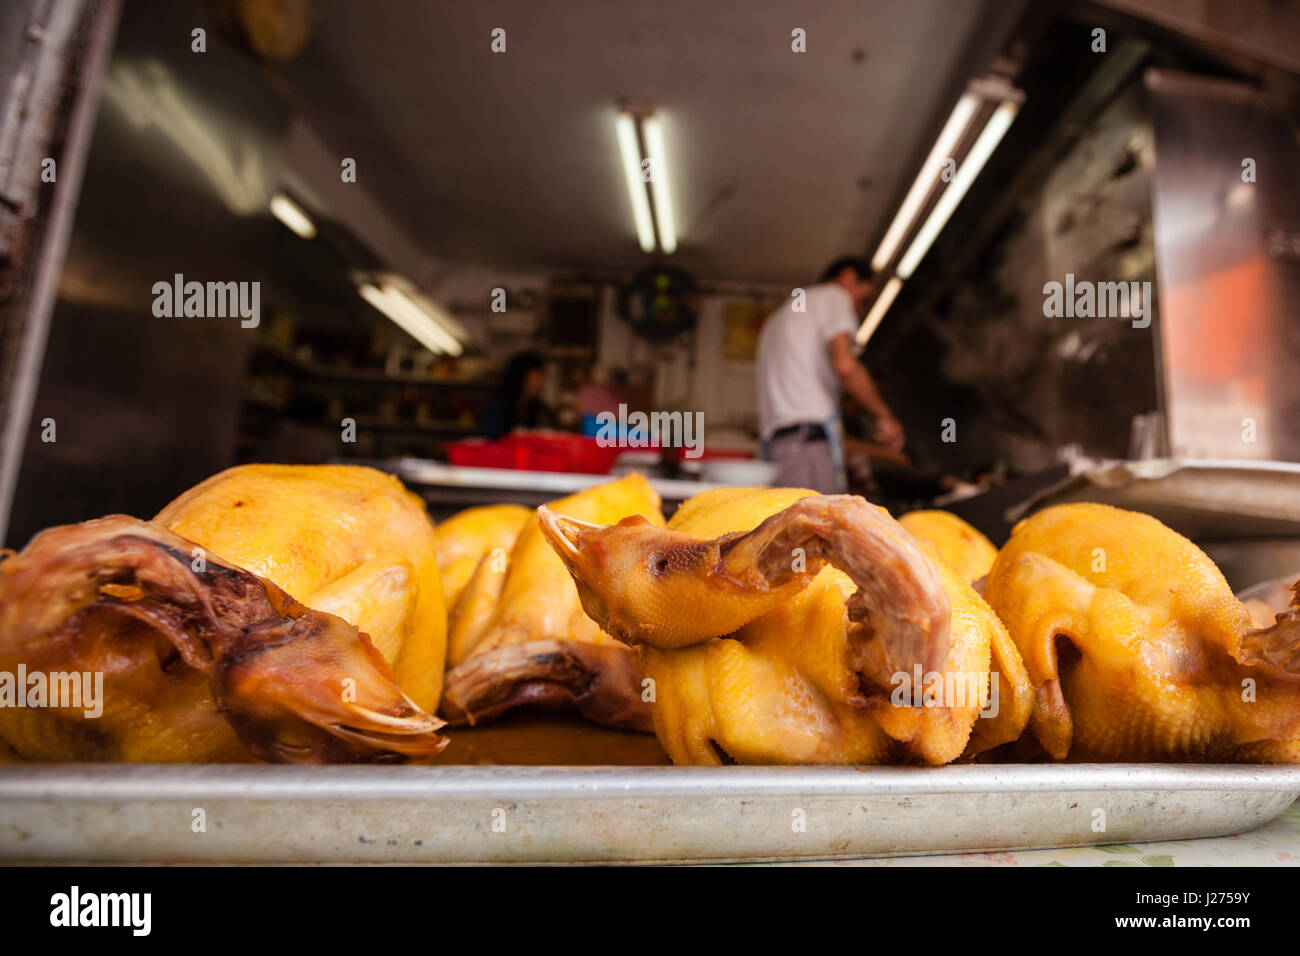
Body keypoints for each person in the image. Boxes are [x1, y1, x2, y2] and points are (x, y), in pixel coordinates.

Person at [755, 256, 905, 493]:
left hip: (779, 448)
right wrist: (884, 415)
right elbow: (846, 365)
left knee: (791, 526)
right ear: (846, 278)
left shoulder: (777, 319)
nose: (859, 311)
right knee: (818, 526)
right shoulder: (834, 297)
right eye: (863, 300)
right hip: (807, 447)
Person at [480, 350, 559, 439]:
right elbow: (490, 439)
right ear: (521, 376)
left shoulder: (541, 409)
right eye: (537, 376)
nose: (541, 382)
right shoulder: (499, 408)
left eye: (542, 377)